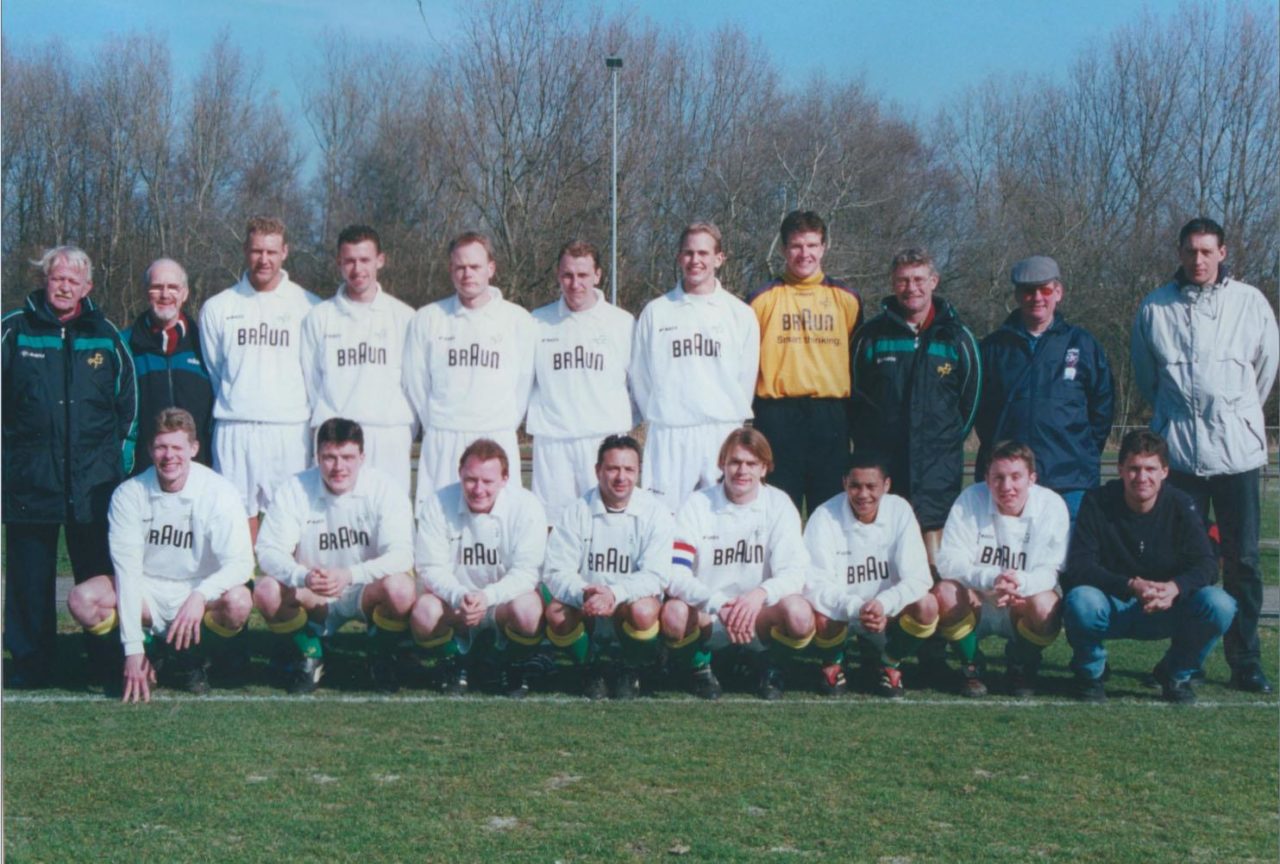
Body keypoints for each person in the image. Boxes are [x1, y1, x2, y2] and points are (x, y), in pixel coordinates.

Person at [1130, 217, 1278, 694]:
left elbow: (1264, 372)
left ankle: (1245, 661)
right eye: (1190, 251)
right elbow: (1148, 378)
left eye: (1207, 251)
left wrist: (1237, 421)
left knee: (1244, 562)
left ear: (1223, 253)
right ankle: (1183, 660)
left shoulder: (1250, 303)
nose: (1198, 260)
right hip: (1182, 460)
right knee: (1188, 563)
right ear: (1179, 252)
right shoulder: (1155, 307)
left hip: (1238, 458)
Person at [2, 245, 137, 688]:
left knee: (96, 573)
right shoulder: (14, 331)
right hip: (29, 480)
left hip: (94, 484)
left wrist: (118, 462)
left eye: (73, 280)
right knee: (28, 580)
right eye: (57, 277)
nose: (64, 286)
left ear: (87, 287)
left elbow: (128, 408)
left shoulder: (107, 336)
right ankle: (30, 664)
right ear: (45, 280)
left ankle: (101, 661)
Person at [66, 409, 253, 702]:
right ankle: (151, 655)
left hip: (197, 589)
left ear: (193, 448)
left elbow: (241, 563)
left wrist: (201, 594)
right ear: (150, 449)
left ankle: (191, 660)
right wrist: (133, 649)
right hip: (147, 590)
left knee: (239, 601)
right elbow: (127, 574)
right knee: (82, 599)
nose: (169, 456)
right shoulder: (130, 494)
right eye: (161, 447)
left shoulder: (219, 492)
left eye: (177, 447)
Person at [1062, 430, 1235, 704]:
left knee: (1220, 604)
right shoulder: (1097, 501)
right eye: (1133, 469)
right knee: (1081, 600)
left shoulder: (1181, 504)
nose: (1142, 478)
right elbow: (1080, 565)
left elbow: (1207, 564)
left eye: (1150, 469)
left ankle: (1176, 673)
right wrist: (1130, 586)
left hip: (1167, 605)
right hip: (1114, 603)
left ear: (1165, 471)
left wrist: (1174, 588)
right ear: (1120, 469)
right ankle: (1091, 673)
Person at [254, 417, 416, 694]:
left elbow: (402, 555)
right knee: (266, 589)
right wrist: (302, 576)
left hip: (366, 590)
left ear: (362, 457)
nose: (339, 467)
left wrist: (351, 575)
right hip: (314, 591)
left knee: (401, 588)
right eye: (329, 457)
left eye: (348, 457)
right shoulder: (295, 488)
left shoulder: (384, 488)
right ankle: (309, 651)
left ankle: (381, 651)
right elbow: (268, 551)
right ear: (317, 457)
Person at [660, 427, 813, 700]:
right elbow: (675, 574)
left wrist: (759, 595)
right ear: (722, 464)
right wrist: (719, 603)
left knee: (800, 614)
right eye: (735, 462)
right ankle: (699, 668)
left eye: (751, 464)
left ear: (764, 468)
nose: (742, 470)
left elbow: (794, 572)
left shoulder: (779, 504)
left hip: (759, 616)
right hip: (709, 616)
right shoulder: (697, 504)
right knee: (673, 613)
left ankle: (771, 666)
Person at [850, 247, 980, 561]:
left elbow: (971, 401)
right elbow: (854, 398)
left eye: (919, 279)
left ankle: (932, 607)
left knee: (934, 556)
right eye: (903, 281)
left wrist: (942, 441)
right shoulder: (871, 337)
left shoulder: (957, 338)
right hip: (885, 461)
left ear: (934, 281)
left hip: (938, 464)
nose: (912, 288)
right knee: (882, 545)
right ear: (893, 284)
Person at [200, 216, 319, 543]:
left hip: (290, 429)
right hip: (235, 427)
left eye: (271, 251)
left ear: (285, 252)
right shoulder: (218, 307)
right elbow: (216, 369)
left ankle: (287, 594)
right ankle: (246, 592)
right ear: (245, 251)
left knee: (292, 524)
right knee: (238, 523)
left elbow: (314, 373)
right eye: (256, 251)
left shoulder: (310, 306)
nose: (263, 259)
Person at [403, 232, 536, 510]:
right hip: (443, 436)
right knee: (439, 522)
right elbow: (415, 382)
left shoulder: (518, 320)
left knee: (501, 523)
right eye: (460, 267)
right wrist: (437, 420)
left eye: (474, 267)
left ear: (491, 268)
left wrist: (500, 422)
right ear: (451, 270)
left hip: (496, 434)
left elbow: (523, 384)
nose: (467, 274)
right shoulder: (428, 319)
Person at [631, 223, 759, 511]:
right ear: (679, 258)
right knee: (664, 520)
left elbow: (745, 378)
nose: (695, 260)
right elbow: (641, 377)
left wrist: (727, 417)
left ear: (719, 258)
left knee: (721, 518)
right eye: (688, 253)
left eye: (703, 252)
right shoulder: (656, 311)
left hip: (721, 430)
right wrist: (664, 412)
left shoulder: (740, 314)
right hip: (669, 433)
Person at [975, 255, 1113, 519]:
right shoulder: (993, 348)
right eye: (1029, 291)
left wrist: (1079, 452)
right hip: (1010, 484)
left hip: (1071, 481)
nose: (1037, 297)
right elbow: (982, 412)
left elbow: (1102, 409)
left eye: (1046, 290)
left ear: (1058, 292)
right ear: (1017, 295)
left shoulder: (1083, 344)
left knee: (1071, 559)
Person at [410, 438, 548, 697]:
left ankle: (511, 662)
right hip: (457, 606)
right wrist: (460, 596)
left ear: (505, 478)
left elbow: (528, 571)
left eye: (488, 481)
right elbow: (430, 567)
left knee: (529, 610)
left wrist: (487, 598)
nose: (478, 489)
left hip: (502, 604)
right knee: (424, 613)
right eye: (471, 479)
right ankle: (454, 663)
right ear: (460, 474)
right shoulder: (437, 503)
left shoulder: (526, 506)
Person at [933, 441, 1069, 697]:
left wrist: (1019, 582)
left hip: (1020, 601)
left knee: (1047, 605)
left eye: (1015, 477)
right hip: (978, 600)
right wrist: (991, 578)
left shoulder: (1052, 505)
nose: (1007, 487)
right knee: (944, 593)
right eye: (998, 477)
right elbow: (948, 561)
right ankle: (971, 665)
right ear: (987, 478)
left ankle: (1020, 663)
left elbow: (1050, 569)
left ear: (1032, 478)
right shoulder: (970, 499)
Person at [749, 210, 862, 512]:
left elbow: (857, 361)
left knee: (828, 512)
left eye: (812, 245)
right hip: (777, 416)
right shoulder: (760, 299)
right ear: (784, 249)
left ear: (824, 247)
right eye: (797, 246)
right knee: (776, 509)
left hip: (830, 417)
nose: (805, 254)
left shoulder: (847, 299)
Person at [543, 435, 671, 699]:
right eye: (612, 468)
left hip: (627, 604)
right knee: (556, 613)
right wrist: (584, 593)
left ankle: (631, 668)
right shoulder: (576, 511)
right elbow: (555, 570)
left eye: (629, 469)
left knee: (645, 610)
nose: (620, 477)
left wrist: (614, 594)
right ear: (598, 470)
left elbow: (656, 575)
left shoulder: (655, 512)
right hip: (588, 605)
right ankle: (590, 668)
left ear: (638, 472)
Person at [804, 451, 936, 698]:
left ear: (886, 485)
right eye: (855, 486)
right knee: (818, 610)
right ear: (844, 483)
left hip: (885, 612)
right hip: (844, 611)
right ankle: (833, 662)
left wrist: (884, 604)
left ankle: (889, 662)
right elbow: (814, 583)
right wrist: (857, 608)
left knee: (927, 605)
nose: (863, 495)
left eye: (871, 486)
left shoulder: (900, 510)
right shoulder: (824, 515)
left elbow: (919, 576)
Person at [301, 225, 416, 494]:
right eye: (350, 261)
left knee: (388, 517)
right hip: (336, 437)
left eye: (364, 260)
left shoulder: (405, 317)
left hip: (388, 435)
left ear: (380, 260)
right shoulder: (319, 317)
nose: (357, 269)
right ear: (339, 263)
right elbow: (312, 381)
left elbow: (415, 384)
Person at [528, 241, 636, 524]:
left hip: (603, 439)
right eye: (567, 275)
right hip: (553, 443)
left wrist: (619, 426)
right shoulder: (537, 322)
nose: (575, 284)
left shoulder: (623, 323)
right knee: (554, 525)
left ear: (598, 275)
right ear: (558, 275)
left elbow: (639, 387)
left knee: (607, 522)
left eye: (583, 275)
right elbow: (523, 384)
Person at [124, 258, 214, 473]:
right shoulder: (124, 345)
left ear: (184, 293)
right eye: (157, 287)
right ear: (146, 292)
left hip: (198, 470)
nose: (165, 295)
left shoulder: (205, 344)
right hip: (144, 470)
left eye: (173, 287)